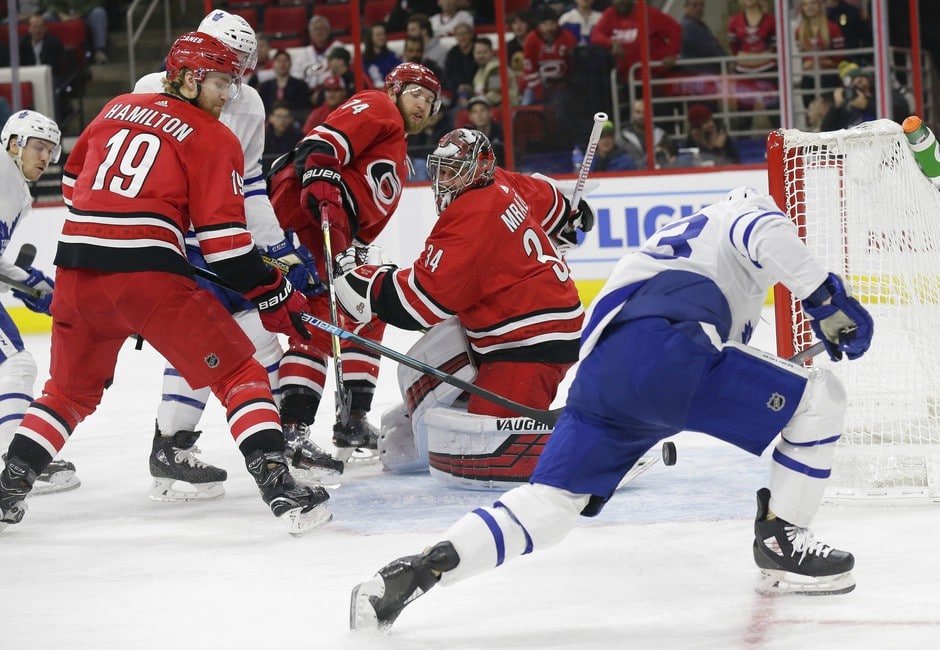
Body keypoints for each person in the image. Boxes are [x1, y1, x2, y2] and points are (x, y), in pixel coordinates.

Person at [349, 186, 875, 630]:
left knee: (550, 506)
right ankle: (783, 535)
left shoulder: (680, 252)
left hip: (604, 377)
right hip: (665, 349)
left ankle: (424, 567)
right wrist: (827, 299)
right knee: (821, 397)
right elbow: (764, 232)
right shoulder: (744, 208)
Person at [0, 31, 332, 535]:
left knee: (66, 394)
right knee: (240, 370)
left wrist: (133, 223)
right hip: (148, 280)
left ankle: (8, 489)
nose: (229, 95)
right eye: (221, 82)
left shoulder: (116, 107)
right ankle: (282, 489)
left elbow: (72, 182)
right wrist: (276, 289)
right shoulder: (214, 137)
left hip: (77, 274)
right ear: (189, 77)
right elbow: (226, 248)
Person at [133, 11, 337, 497]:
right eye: (228, 60)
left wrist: (279, 248)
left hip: (222, 243)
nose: (237, 72)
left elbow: (248, 186)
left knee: (247, 338)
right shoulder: (152, 89)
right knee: (212, 342)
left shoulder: (248, 102)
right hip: (175, 242)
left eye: (244, 61)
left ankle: (189, 445)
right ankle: (205, 446)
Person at [332, 128, 588, 477]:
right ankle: (442, 415)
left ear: (478, 169)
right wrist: (571, 215)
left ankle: (591, 445)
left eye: (454, 170)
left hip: (531, 342)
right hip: (521, 324)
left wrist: (367, 285)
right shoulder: (499, 181)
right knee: (443, 346)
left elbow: (423, 302)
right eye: (441, 169)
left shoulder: (471, 216)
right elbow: (546, 196)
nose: (444, 180)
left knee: (485, 456)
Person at [266, 62, 442, 462]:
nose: (423, 104)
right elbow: (321, 143)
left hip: (332, 235)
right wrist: (320, 180)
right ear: (395, 90)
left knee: (366, 310)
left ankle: (352, 420)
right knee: (314, 320)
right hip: (300, 220)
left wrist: (352, 257)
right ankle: (292, 430)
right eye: (417, 93)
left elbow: (363, 226)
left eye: (430, 100)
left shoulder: (401, 161)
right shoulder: (378, 105)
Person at [0, 110, 78, 496]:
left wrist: (28, 282)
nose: (45, 157)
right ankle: (16, 463)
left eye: (51, 149)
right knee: (17, 364)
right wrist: (27, 282)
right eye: (38, 147)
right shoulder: (5, 177)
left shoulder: (12, 183)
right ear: (14, 143)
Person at [726, 0, 778, 132]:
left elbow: (775, 47)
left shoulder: (771, 21)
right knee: (744, 116)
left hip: (767, 71)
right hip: (743, 72)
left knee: (774, 112)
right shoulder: (734, 21)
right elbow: (734, 47)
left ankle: (784, 147)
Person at [795, 0, 845, 108]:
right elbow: (802, 56)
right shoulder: (799, 31)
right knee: (810, 113)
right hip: (809, 78)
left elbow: (839, 55)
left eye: (813, 3)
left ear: (819, 5)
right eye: (805, 4)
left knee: (830, 111)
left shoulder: (833, 28)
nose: (809, 7)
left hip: (829, 76)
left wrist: (821, 62)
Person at [290, 15, 344, 90]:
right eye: (315, 29)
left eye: (322, 29)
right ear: (310, 33)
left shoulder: (337, 48)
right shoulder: (304, 53)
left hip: (331, 90)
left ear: (328, 31)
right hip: (307, 92)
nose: (319, 32)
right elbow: (296, 74)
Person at [257, 49, 312, 120]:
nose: (282, 64)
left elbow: (304, 110)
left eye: (285, 61)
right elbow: (262, 109)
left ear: (290, 63)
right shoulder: (265, 87)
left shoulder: (301, 85)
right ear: (273, 64)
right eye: (279, 61)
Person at [463, 95, 504, 166]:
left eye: (482, 110)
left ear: (490, 113)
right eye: (474, 112)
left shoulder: (501, 131)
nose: (479, 115)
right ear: (470, 117)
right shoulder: (468, 135)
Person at [264, 101, 303, 173]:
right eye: (278, 116)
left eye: (286, 116)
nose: (282, 120)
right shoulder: (263, 139)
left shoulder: (298, 138)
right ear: (271, 118)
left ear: (291, 119)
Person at [362, 22, 401, 90]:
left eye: (383, 34)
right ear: (370, 37)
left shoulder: (392, 56)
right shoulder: (362, 60)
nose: (382, 37)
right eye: (378, 35)